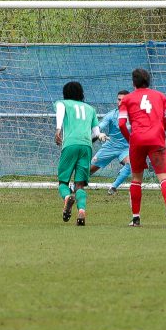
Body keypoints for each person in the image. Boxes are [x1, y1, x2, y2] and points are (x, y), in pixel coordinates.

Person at [118, 68, 166, 228]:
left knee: (136, 179)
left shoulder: (127, 99)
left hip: (137, 141)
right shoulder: (160, 96)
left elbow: (121, 123)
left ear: (133, 82)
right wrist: (161, 127)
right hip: (156, 139)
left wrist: (130, 139)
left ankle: (136, 219)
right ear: (148, 81)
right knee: (164, 177)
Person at [55, 81, 107, 226]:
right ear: (81, 94)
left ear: (65, 94)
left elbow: (59, 110)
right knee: (80, 185)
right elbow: (96, 133)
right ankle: (82, 211)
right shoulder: (90, 109)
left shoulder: (63, 103)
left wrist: (58, 129)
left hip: (70, 144)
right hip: (86, 146)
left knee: (63, 182)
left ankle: (67, 198)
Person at [90, 90, 135, 195]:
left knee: (131, 164)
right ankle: (74, 185)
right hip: (110, 146)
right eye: (119, 100)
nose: (120, 102)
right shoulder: (111, 115)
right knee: (90, 170)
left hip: (126, 148)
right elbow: (100, 126)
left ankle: (113, 187)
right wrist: (99, 134)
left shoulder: (135, 115)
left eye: (123, 100)